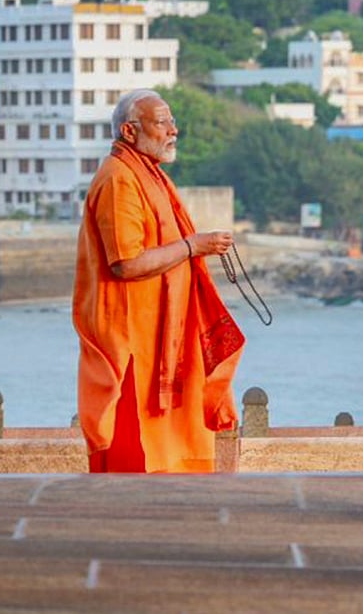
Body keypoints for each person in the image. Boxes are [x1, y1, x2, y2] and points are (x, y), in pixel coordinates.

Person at [72, 89, 245, 473]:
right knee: (134, 454)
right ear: (130, 131)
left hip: (163, 335)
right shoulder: (120, 179)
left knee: (172, 445)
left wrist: (194, 247)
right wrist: (193, 245)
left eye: (172, 121)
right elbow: (126, 263)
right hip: (132, 341)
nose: (174, 130)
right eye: (162, 122)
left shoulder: (148, 174)